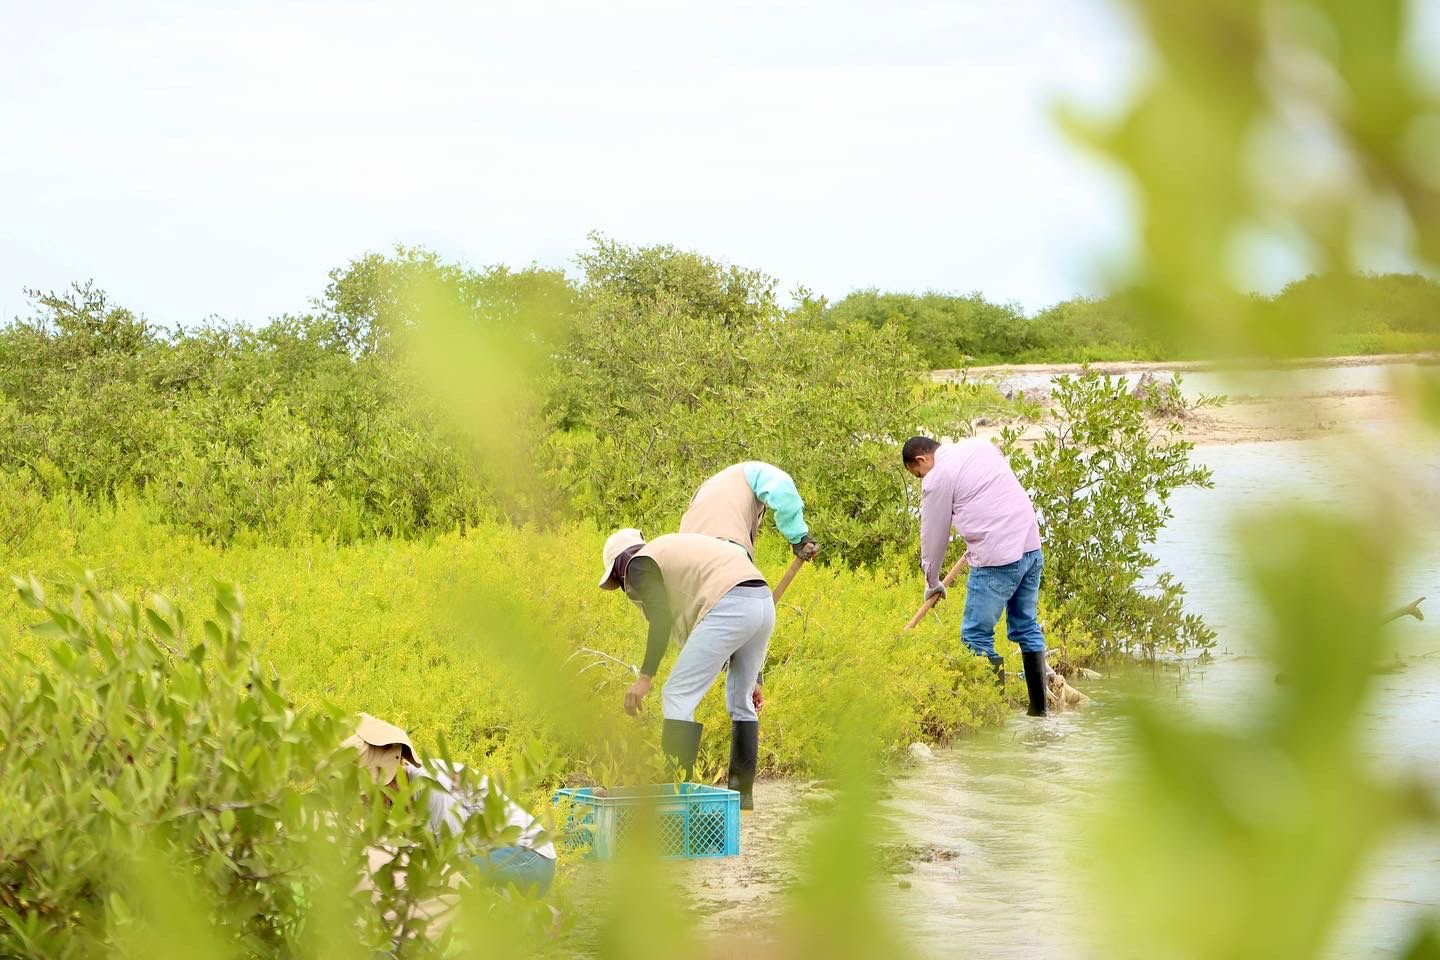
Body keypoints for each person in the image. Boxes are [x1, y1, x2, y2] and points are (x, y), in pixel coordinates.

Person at [598, 529, 775, 810]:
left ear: (618, 569)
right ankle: (742, 800)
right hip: (762, 601)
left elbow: (661, 618)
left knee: (676, 696)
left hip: (730, 601)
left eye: (620, 583)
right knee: (741, 701)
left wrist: (645, 678)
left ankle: (678, 804)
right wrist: (755, 677)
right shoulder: (672, 553)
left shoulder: (638, 563)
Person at [902, 436, 1049, 717]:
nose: (921, 479)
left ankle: (993, 722)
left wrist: (931, 581)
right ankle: (1039, 714)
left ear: (921, 460)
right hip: (1031, 546)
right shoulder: (978, 446)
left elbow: (933, 535)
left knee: (976, 636)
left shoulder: (937, 477)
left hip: (997, 559)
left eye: (917, 474)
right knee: (1027, 627)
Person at [345, 713, 557, 896]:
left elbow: (453, 861)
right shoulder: (402, 798)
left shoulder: (429, 787)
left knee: (450, 885)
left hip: (529, 856)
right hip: (493, 857)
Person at [680, 461, 819, 561]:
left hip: (683, 556)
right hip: (725, 551)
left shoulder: (712, 487)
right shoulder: (753, 472)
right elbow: (782, 486)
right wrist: (799, 538)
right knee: (749, 597)